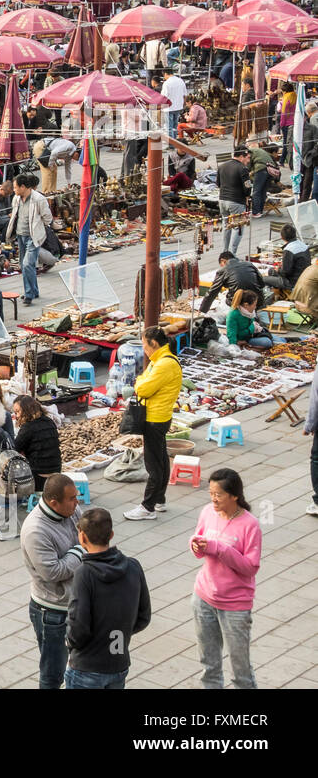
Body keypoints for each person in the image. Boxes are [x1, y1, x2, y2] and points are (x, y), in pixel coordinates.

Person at [62, 508, 151, 690]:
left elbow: (78, 625)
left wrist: (69, 642)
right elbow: (143, 617)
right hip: (118, 664)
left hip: (87, 667)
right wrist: (118, 634)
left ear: (82, 537)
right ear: (111, 534)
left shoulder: (84, 574)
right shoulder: (133, 566)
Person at [189, 468, 261, 690]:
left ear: (234, 495)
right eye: (211, 493)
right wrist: (196, 546)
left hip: (235, 605)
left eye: (218, 494)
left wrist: (218, 548)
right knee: (209, 666)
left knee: (241, 671)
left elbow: (250, 567)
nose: (213, 499)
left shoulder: (250, 525)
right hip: (203, 597)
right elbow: (199, 542)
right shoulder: (207, 513)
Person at [18, 473, 83, 689]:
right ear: (54, 503)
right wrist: (81, 550)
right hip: (51, 611)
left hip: (77, 603)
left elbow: (88, 536)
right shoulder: (35, 530)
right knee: (52, 673)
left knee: (82, 666)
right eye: (72, 499)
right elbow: (53, 572)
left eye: (77, 496)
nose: (77, 502)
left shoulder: (72, 512)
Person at [123, 327, 184, 523]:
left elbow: (143, 388)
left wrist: (139, 382)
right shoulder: (161, 361)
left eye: (144, 345)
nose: (144, 349)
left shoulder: (164, 364)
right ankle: (160, 499)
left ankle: (147, 506)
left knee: (153, 464)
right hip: (160, 416)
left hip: (155, 418)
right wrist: (142, 381)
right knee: (161, 458)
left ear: (154, 344)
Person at [6, 172, 53, 305]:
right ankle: (34, 290)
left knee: (27, 264)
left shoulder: (38, 199)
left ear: (22, 187)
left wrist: (38, 227)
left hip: (34, 236)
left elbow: (47, 218)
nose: (13, 190)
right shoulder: (16, 199)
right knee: (25, 265)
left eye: (15, 187)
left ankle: (29, 294)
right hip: (20, 235)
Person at [13, 394, 62, 491]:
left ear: (26, 410)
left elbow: (14, 448)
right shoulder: (49, 421)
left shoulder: (28, 427)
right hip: (57, 469)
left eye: (18, 412)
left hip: (40, 476)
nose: (17, 416)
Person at [199, 250, 265, 313]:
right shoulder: (249, 264)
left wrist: (202, 310)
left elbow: (212, 292)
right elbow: (262, 283)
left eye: (221, 265)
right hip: (257, 301)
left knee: (227, 299)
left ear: (223, 261)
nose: (221, 267)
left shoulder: (223, 270)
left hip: (240, 302)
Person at [216, 148, 251, 255]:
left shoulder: (222, 166)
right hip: (236, 201)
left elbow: (218, 183)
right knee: (238, 227)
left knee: (226, 225)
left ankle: (225, 250)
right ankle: (232, 253)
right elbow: (247, 187)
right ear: (241, 156)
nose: (248, 161)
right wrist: (247, 196)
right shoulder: (242, 168)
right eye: (247, 158)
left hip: (222, 200)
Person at [262, 223, 309, 291]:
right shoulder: (303, 245)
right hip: (304, 277)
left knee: (263, 279)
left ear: (282, 237)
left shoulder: (289, 249)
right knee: (271, 271)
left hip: (292, 282)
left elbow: (285, 272)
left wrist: (278, 270)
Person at [248, 143, 279, 217]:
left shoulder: (248, 153)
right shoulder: (258, 151)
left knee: (256, 191)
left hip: (261, 169)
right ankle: (260, 211)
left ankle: (255, 212)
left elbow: (248, 166)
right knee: (262, 191)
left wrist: (248, 174)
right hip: (270, 170)